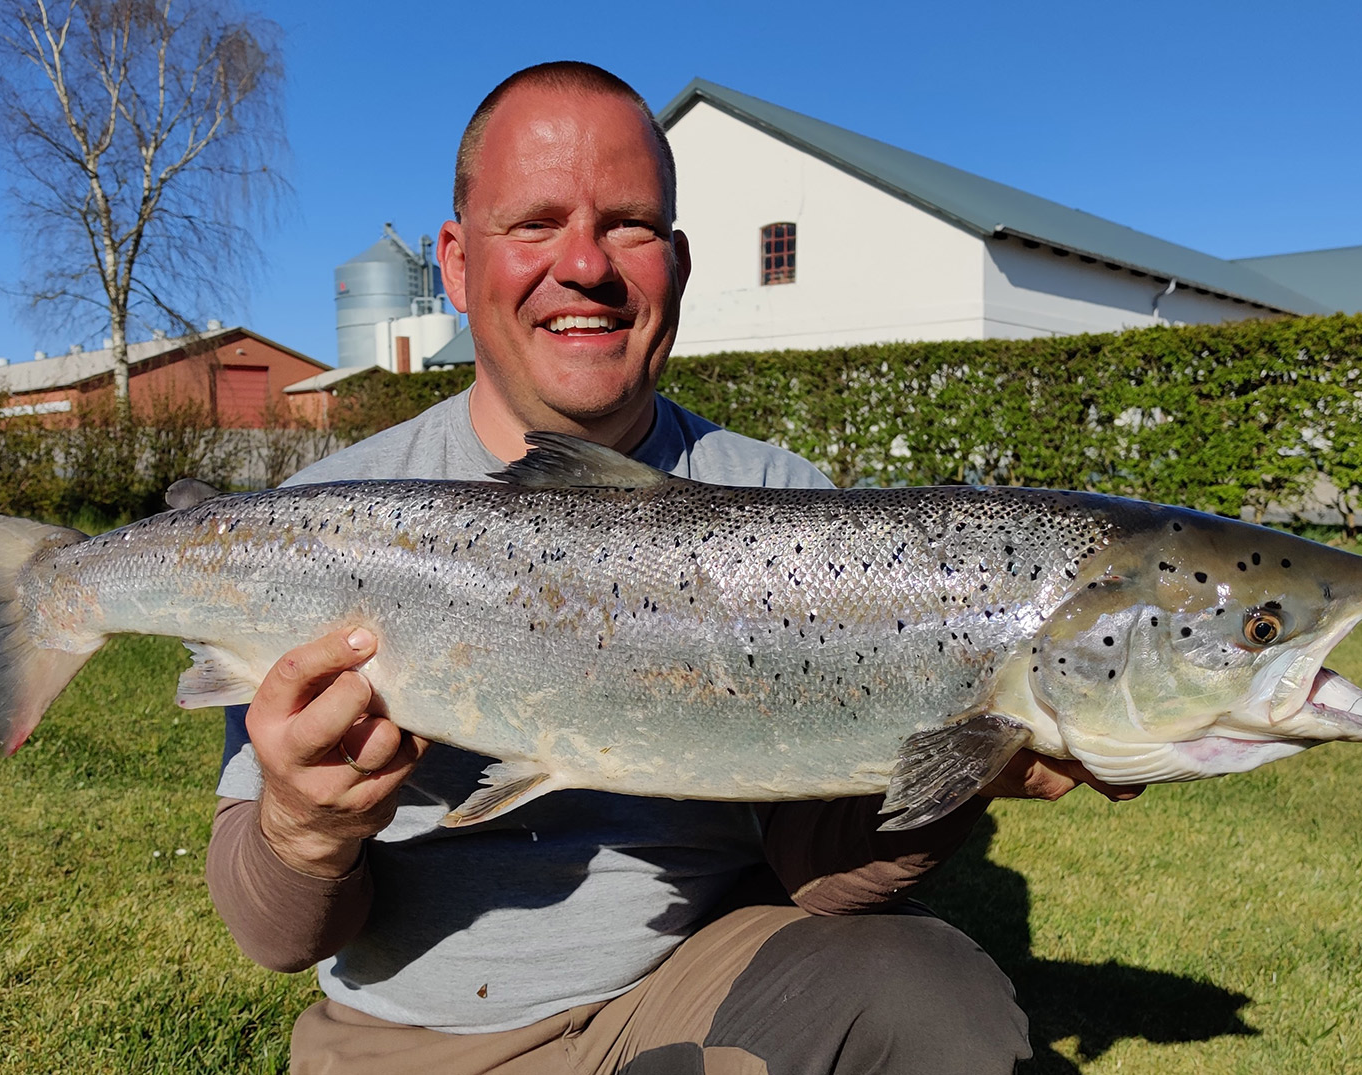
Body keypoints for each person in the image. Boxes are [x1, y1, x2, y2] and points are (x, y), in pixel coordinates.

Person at [207, 61, 1139, 1075]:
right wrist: (301, 830)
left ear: (679, 264)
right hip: (414, 1040)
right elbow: (276, 937)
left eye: (629, 224)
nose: (585, 266)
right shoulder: (316, 532)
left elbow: (820, 884)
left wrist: (961, 770)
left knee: (931, 998)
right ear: (457, 263)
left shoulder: (792, 508)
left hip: (700, 985)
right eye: (533, 224)